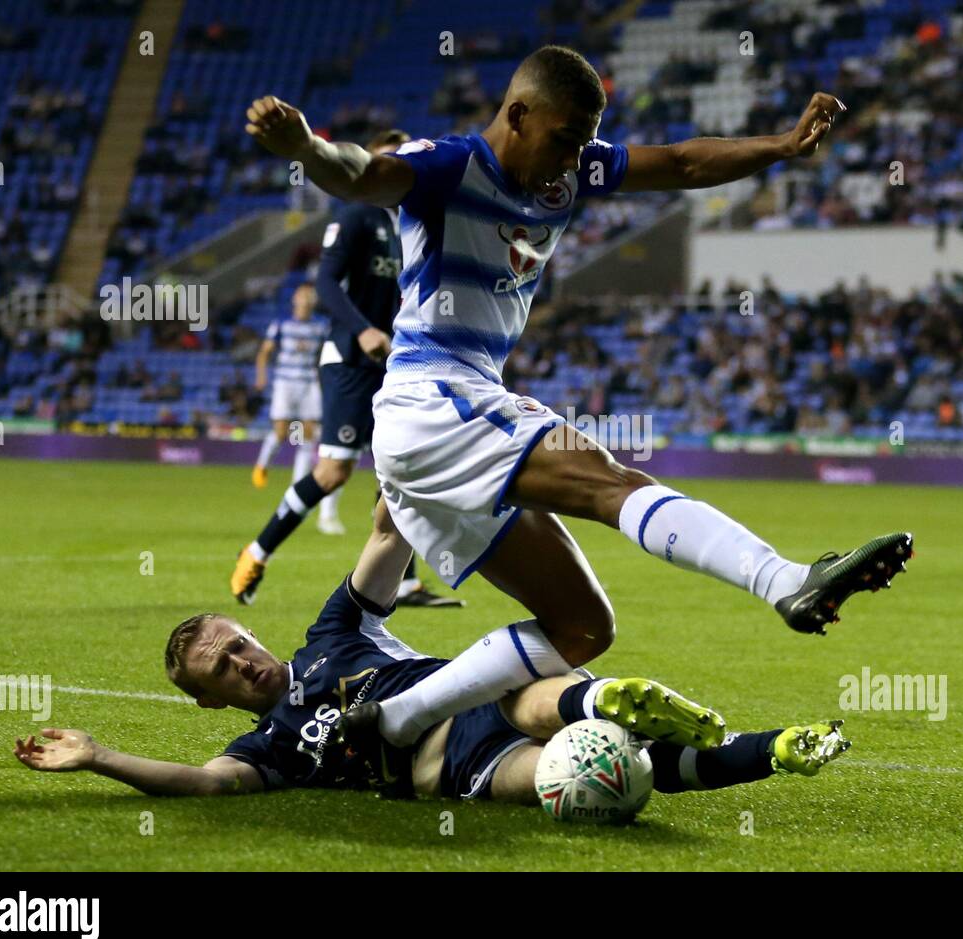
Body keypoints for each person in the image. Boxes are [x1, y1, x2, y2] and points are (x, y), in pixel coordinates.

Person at [242, 45, 910, 755]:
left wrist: (780, 146)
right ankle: (786, 581)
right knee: (608, 481)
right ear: (519, 115)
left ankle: (394, 722)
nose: (575, 159)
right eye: (565, 140)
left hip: (443, 424)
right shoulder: (446, 166)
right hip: (434, 400)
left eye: (586, 142)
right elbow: (363, 173)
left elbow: (683, 164)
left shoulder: (571, 169)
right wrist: (307, 147)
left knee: (583, 628)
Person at [13, 503, 851, 805]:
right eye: (222, 671)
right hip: (458, 779)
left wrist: (405, 486)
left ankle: (604, 697)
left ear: (254, 634)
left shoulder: (328, 637)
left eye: (237, 643)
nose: (242, 662)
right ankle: (770, 751)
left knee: (537, 699)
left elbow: (385, 539)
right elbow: (198, 783)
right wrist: (99, 757)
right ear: (209, 700)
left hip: (472, 702)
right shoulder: (260, 750)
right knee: (591, 779)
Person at [231, 130, 456, 607]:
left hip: (392, 363)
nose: (397, 165)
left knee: (399, 466)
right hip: (350, 360)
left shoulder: (406, 224)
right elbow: (325, 285)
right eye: (389, 156)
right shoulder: (356, 215)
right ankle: (257, 550)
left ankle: (408, 583)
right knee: (333, 471)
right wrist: (362, 330)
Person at [251, 282, 329, 499]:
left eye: (310, 295)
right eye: (303, 295)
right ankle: (261, 466)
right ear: (295, 299)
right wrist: (261, 376)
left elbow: (325, 353)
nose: (306, 298)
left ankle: (297, 485)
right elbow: (264, 352)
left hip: (308, 382)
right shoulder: (282, 324)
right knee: (282, 431)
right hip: (285, 382)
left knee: (307, 434)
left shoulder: (321, 326)